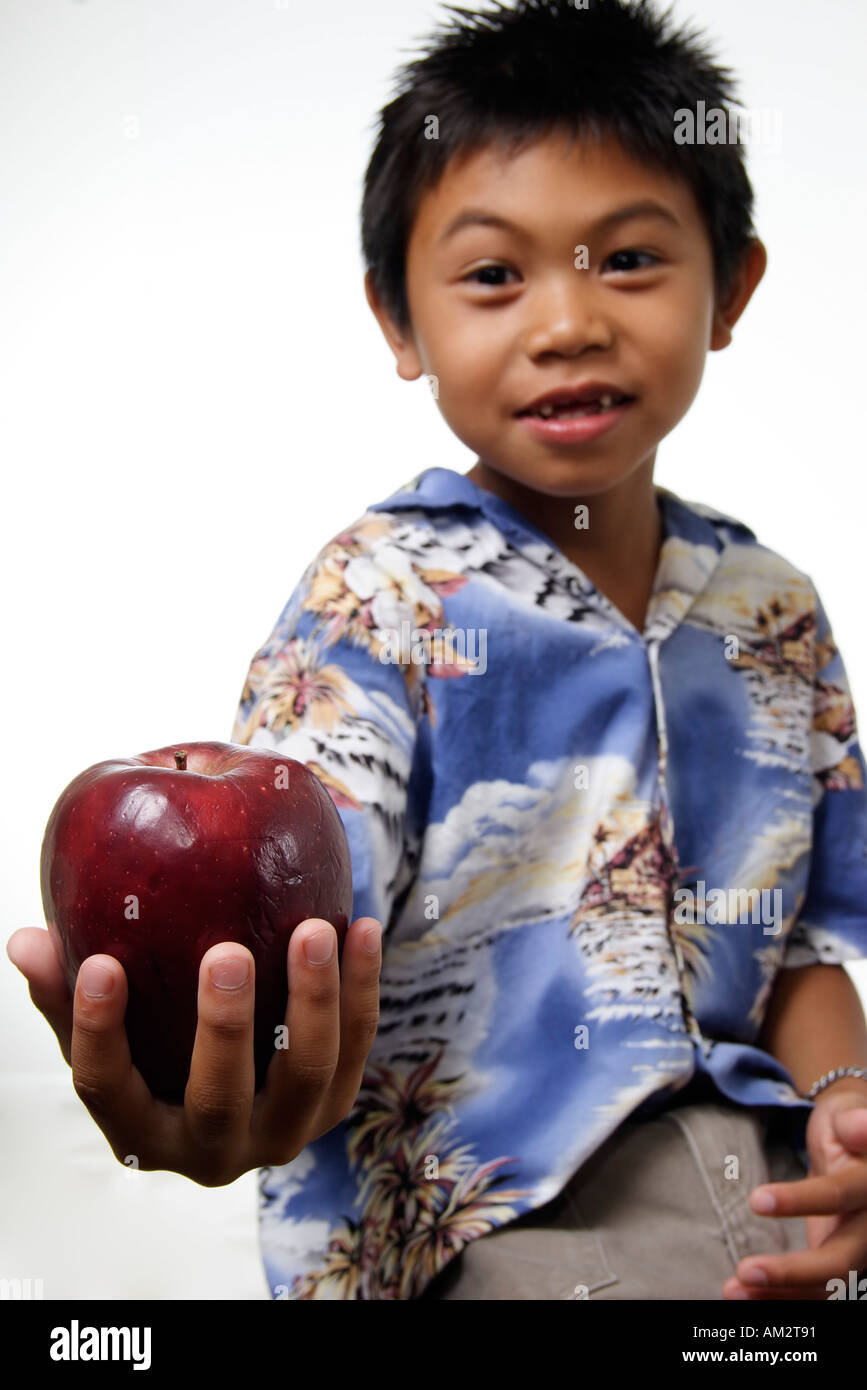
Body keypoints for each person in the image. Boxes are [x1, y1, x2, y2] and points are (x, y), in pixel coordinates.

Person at [8, 0, 867, 1300]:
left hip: (777, 1191)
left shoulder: (774, 610)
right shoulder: (380, 598)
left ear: (732, 285)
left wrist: (848, 1098)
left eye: (629, 259)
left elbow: (798, 940)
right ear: (399, 322)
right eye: (492, 275)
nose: (567, 319)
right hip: (493, 1223)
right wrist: (231, 1067)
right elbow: (306, 895)